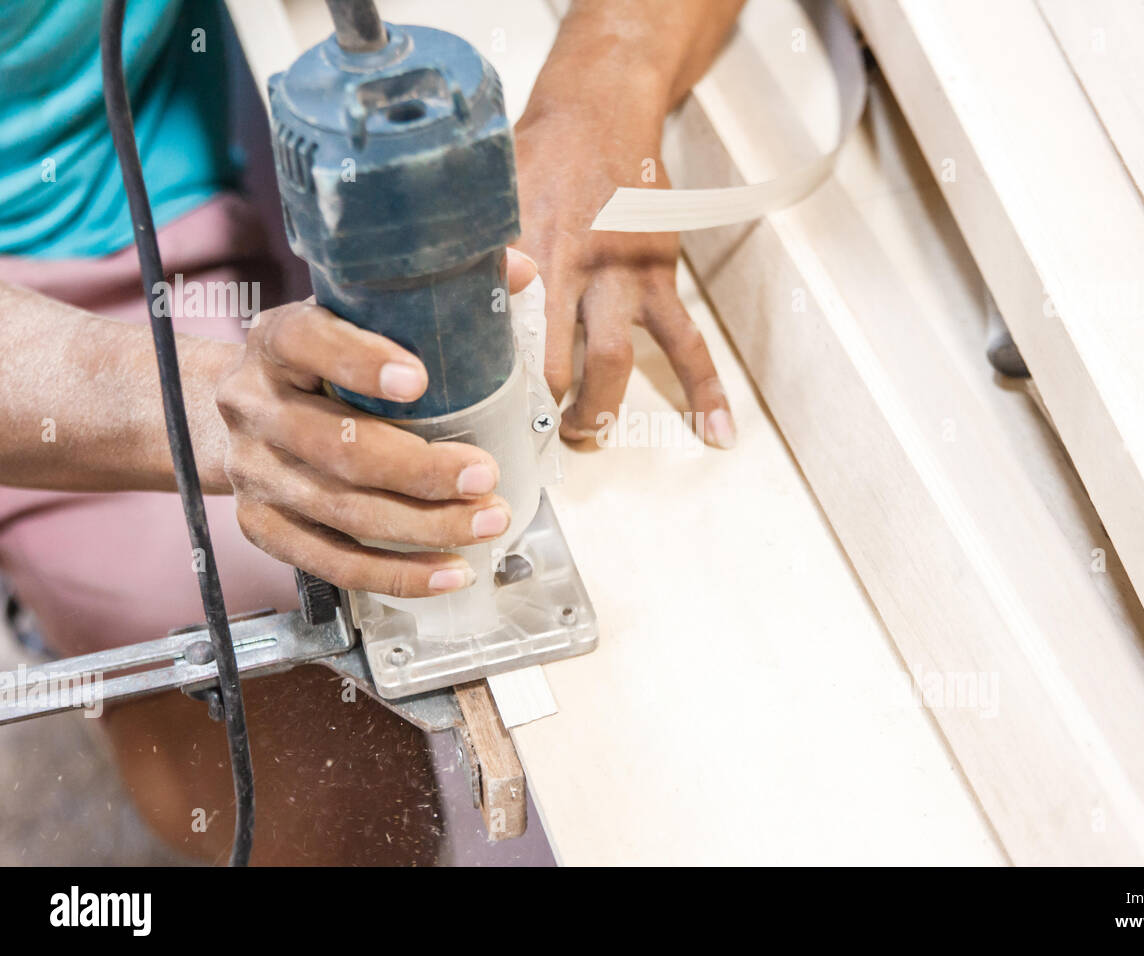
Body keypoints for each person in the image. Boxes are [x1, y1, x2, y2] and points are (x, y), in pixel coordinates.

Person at [0, 0, 745, 863]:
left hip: (178, 138)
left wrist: (609, 78)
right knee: (339, 818)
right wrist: (208, 411)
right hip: (48, 297)